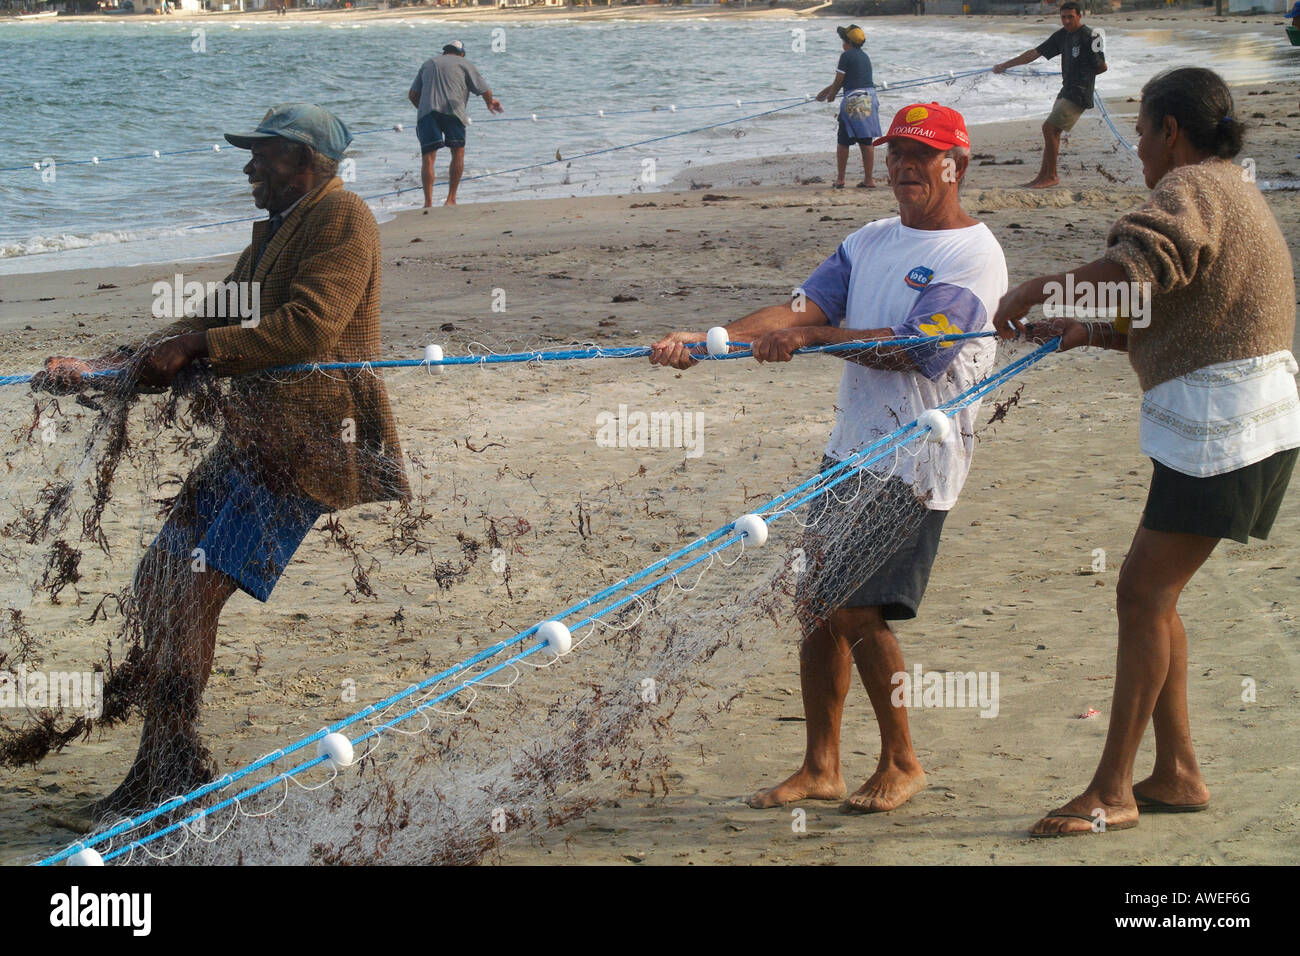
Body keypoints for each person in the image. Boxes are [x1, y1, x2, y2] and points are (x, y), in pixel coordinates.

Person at [35, 104, 411, 815]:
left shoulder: (344, 218)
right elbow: (215, 316)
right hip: (258, 437)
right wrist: (113, 363)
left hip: (309, 444)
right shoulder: (279, 229)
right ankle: (170, 767)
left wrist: (202, 350)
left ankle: (168, 777)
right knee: (157, 579)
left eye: (262, 156)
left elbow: (309, 327)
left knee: (188, 594)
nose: (248, 167)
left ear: (305, 162)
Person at [650, 103, 1007, 814]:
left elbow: (921, 347)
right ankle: (821, 767)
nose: (905, 167)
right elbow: (801, 311)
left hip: (916, 456)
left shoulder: (974, 255)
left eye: (922, 155)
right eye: (897, 153)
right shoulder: (869, 241)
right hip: (850, 450)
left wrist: (815, 342)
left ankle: (903, 761)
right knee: (816, 605)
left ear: (957, 166)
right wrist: (711, 337)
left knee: (854, 608)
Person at [994, 68, 1299, 836]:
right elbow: (1174, 297)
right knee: (1157, 598)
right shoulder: (1230, 185)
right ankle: (1179, 773)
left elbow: (1142, 265)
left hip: (1223, 426)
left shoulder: (1191, 186)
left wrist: (1041, 289)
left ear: (1171, 130)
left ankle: (1112, 792)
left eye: (1140, 131)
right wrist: (1088, 327)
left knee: (1140, 595)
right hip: (1250, 418)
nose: (1136, 147)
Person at [993, 1, 1107, 189]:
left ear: (1079, 16)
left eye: (1071, 17)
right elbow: (1034, 53)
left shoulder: (1091, 36)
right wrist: (1005, 65)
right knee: (1052, 132)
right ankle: (1042, 176)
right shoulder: (1062, 35)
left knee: (1049, 128)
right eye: (1063, 17)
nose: (1067, 21)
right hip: (1066, 89)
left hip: (1079, 92)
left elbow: (1102, 66)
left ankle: (1052, 176)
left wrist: (1082, 76)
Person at [408, 41, 503, 209]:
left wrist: (423, 109)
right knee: (458, 153)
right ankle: (450, 199)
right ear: (461, 54)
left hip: (427, 113)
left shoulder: (428, 63)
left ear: (445, 52)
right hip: (454, 112)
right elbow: (484, 89)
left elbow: (413, 94)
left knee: (428, 158)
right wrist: (490, 102)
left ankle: (428, 203)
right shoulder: (465, 64)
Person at [816, 24, 882, 189]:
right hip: (869, 98)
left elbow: (839, 79)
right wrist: (824, 92)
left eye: (843, 40)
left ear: (847, 42)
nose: (842, 43)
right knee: (866, 141)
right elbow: (849, 79)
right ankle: (869, 180)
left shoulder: (846, 56)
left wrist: (831, 96)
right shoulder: (864, 56)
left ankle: (840, 179)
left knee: (843, 141)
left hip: (854, 100)